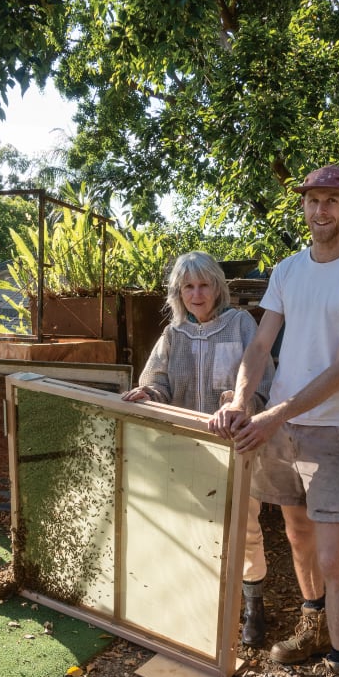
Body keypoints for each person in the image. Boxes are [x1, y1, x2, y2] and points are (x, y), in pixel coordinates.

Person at [210, 166, 339, 677]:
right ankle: (313, 625)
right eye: (313, 201)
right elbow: (261, 344)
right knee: (294, 531)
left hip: (329, 431)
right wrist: (243, 399)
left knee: (335, 556)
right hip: (281, 428)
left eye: (331, 201)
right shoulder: (287, 270)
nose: (320, 212)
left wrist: (272, 416)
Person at [122, 250, 276, 647]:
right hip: (185, 446)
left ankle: (253, 607)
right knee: (189, 526)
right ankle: (199, 604)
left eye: (204, 284)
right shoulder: (173, 334)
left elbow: (261, 381)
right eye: (188, 286)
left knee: (243, 528)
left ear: (217, 287)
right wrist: (149, 392)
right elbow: (159, 382)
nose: (197, 294)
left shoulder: (240, 324)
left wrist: (241, 403)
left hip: (234, 446)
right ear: (178, 293)